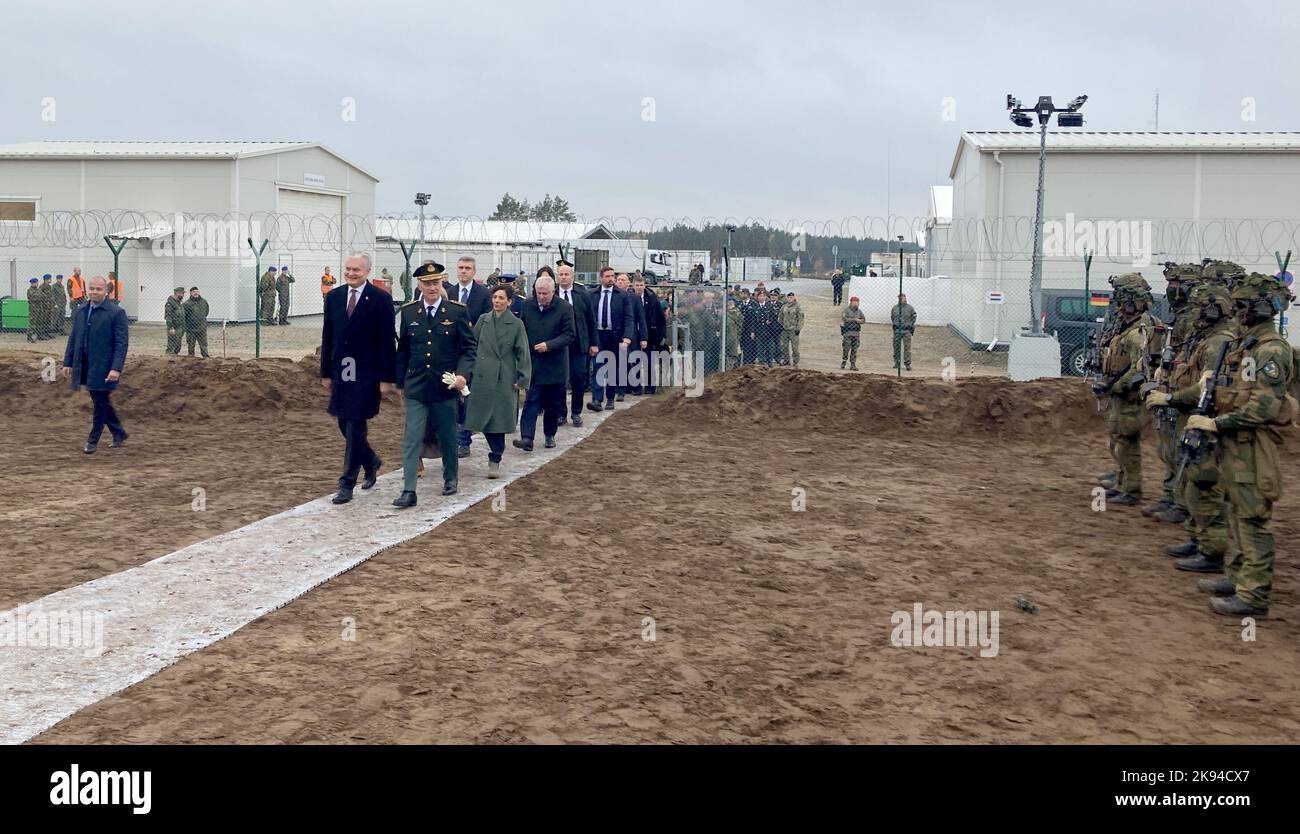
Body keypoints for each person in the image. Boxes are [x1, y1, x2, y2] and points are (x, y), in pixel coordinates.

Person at [1183, 273, 1294, 617]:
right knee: (1234, 510)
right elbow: (1234, 392)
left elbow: (1264, 408)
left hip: (1252, 446)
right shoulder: (1245, 346)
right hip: (1233, 444)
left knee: (1251, 518)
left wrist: (1216, 422)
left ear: (1262, 308)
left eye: (1244, 305)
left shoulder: (1272, 350)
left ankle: (1254, 596)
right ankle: (1238, 576)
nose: (1239, 312)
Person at [1147, 283, 1236, 573]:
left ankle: (1212, 552)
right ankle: (1199, 540)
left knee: (1205, 486)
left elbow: (1205, 388)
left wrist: (1171, 397)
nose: (1192, 314)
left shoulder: (1217, 342)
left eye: (1199, 308)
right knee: (1190, 483)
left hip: (1207, 425)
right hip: (1193, 419)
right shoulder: (1204, 338)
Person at [392, 261, 476, 507]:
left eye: (436, 283)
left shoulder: (457, 312)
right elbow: (404, 350)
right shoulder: (409, 313)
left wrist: (462, 376)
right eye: (427, 283)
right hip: (416, 386)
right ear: (419, 284)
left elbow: (469, 349)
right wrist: (400, 382)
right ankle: (409, 489)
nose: (431, 287)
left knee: (448, 435)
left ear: (442, 283)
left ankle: (450, 477)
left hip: (444, 386)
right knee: (412, 438)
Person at [320, 253, 397, 505]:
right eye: (348, 269)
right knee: (344, 422)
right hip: (342, 370)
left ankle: (347, 483)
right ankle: (371, 460)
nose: (351, 273)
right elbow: (327, 336)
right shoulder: (334, 297)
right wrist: (326, 372)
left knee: (355, 425)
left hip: (367, 372)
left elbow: (387, 341)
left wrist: (386, 378)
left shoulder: (380, 299)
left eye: (356, 270)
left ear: (367, 271)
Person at [1094, 276, 1155, 506]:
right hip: (1119, 394)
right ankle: (1122, 484)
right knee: (1119, 441)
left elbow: (1141, 367)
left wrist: (1115, 386)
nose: (1118, 309)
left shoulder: (1137, 332)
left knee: (1128, 443)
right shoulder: (1126, 328)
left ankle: (1132, 489)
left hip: (1128, 396)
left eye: (1123, 304)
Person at [462, 285, 530, 478]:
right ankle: (486, 450)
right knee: (480, 418)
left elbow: (522, 352)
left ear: (509, 302)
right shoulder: (483, 321)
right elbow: (472, 346)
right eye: (495, 297)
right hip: (482, 377)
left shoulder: (516, 324)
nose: (497, 301)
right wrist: (467, 371)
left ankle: (495, 457)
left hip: (504, 378)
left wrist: (522, 378)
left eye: (501, 298)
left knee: (498, 420)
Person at [61, 276, 129, 453]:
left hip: (104, 367)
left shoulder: (116, 313)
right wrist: (67, 362)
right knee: (100, 400)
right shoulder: (82, 310)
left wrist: (116, 368)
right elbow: (74, 337)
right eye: (91, 289)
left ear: (106, 291)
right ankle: (118, 431)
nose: (94, 292)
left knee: (100, 402)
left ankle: (93, 440)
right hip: (85, 364)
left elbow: (121, 343)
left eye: (98, 289)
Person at [515, 270, 574, 451]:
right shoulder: (528, 305)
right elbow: (521, 328)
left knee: (552, 404)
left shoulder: (564, 308)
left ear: (553, 292)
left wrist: (549, 345)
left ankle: (549, 435)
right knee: (531, 401)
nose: (541, 297)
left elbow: (570, 334)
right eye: (538, 293)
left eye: (545, 294)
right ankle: (527, 438)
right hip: (533, 364)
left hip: (555, 364)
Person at [449, 256, 492, 457]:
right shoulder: (449, 293)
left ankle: (464, 440)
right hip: (451, 352)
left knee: (468, 396)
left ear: (474, 272)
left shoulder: (484, 295)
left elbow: (487, 323)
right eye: (460, 268)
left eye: (467, 268)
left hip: (474, 353)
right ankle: (454, 436)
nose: (463, 271)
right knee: (452, 397)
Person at [588, 266, 635, 411]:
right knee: (597, 366)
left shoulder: (622, 295)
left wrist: (627, 337)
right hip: (598, 335)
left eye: (612, 276)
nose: (610, 279)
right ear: (601, 278)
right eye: (607, 276)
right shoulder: (592, 294)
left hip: (615, 336)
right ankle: (596, 399)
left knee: (613, 368)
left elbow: (629, 317)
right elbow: (588, 317)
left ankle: (610, 398)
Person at [555, 259, 595, 426]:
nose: (564, 277)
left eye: (567, 274)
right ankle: (561, 413)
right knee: (560, 380)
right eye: (561, 274)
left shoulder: (582, 295)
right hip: (558, 345)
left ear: (572, 276)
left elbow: (591, 320)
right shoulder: (552, 295)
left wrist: (594, 343)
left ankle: (576, 412)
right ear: (557, 277)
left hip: (579, 344)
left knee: (578, 377)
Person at [633, 275, 667, 393]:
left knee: (649, 360)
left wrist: (662, 334)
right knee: (635, 360)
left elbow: (661, 318)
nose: (639, 287)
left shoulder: (652, 299)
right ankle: (636, 387)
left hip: (649, 334)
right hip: (633, 334)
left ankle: (650, 387)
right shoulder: (629, 298)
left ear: (644, 285)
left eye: (641, 285)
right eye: (637, 285)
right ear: (633, 286)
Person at [891, 293, 917, 371]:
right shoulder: (895, 308)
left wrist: (910, 324)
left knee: (907, 348)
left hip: (906, 330)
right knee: (896, 347)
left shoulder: (910, 308)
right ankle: (897, 362)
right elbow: (892, 317)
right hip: (897, 330)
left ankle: (907, 364)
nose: (901, 299)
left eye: (902, 297)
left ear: (905, 298)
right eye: (899, 297)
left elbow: (914, 317)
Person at [183, 287, 211, 357]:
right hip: (191, 329)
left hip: (202, 327)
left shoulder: (204, 302)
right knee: (191, 344)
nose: (196, 293)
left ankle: (205, 357)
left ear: (199, 292)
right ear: (191, 293)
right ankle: (191, 357)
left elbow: (206, 312)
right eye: (193, 292)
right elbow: (184, 316)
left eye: (197, 291)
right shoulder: (186, 304)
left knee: (203, 344)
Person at [779, 290, 804, 366]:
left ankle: (795, 361)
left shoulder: (798, 306)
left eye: (791, 297)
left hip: (793, 330)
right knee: (784, 346)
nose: (790, 299)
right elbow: (780, 316)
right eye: (789, 297)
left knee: (794, 347)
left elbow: (801, 318)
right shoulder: (784, 306)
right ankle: (786, 360)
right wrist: (781, 325)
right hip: (785, 330)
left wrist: (798, 328)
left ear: (794, 298)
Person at [841, 296, 866, 370]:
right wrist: (854, 320)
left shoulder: (859, 311)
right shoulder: (846, 310)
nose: (856, 304)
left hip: (856, 333)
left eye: (857, 302)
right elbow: (844, 318)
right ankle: (844, 361)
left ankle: (853, 364)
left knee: (854, 349)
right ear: (851, 302)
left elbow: (864, 320)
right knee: (846, 348)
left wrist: (859, 321)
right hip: (848, 332)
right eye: (854, 302)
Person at [164, 286, 186, 354]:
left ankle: (175, 358)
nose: (183, 295)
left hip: (180, 326)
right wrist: (171, 328)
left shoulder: (179, 302)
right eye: (181, 293)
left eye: (183, 293)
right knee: (172, 345)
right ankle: (169, 357)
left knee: (177, 345)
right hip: (174, 326)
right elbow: (168, 316)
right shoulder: (170, 303)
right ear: (176, 293)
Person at [37, 274, 55, 339]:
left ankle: (47, 333)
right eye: (49, 279)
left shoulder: (49, 287)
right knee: (43, 320)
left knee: (48, 320)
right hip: (44, 307)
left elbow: (51, 296)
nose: (50, 280)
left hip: (49, 306)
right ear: (46, 279)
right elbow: (40, 296)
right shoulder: (42, 287)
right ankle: (41, 334)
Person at [25, 278, 41, 342]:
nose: (37, 284)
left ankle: (37, 335)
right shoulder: (29, 290)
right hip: (33, 309)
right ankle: (29, 336)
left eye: (37, 282)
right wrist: (38, 297)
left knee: (37, 322)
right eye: (36, 283)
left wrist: (38, 297)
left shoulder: (38, 290)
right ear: (32, 283)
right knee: (32, 323)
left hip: (39, 308)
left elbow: (41, 296)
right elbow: (32, 298)